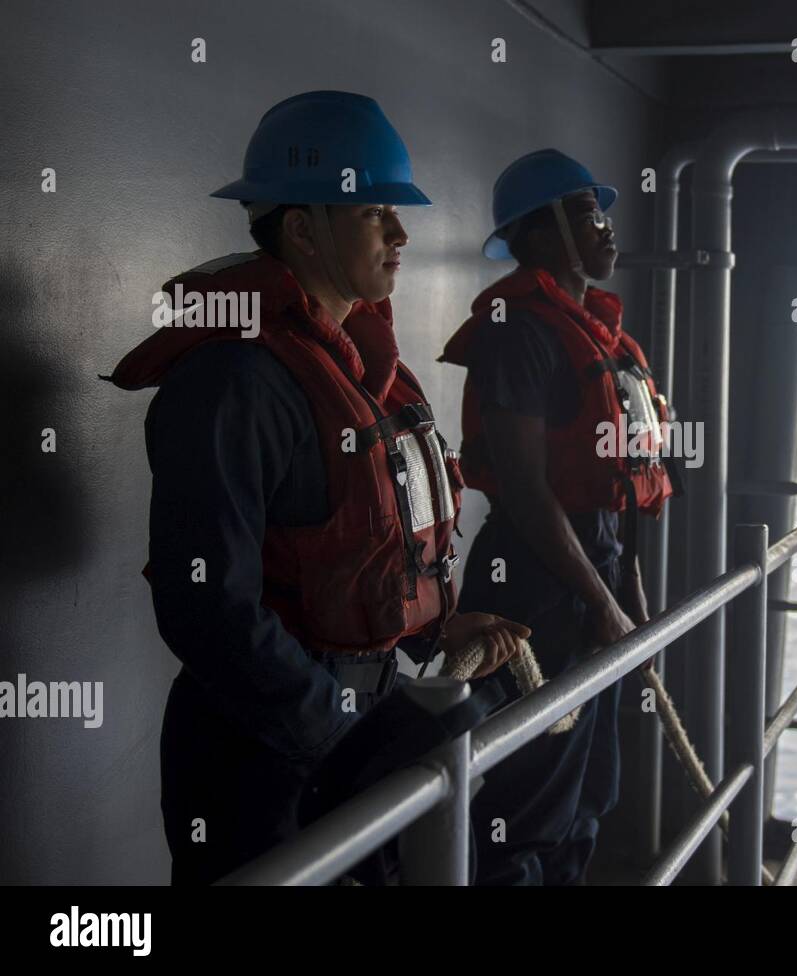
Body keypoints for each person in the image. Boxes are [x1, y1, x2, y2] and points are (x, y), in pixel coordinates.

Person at [108, 91, 528, 885]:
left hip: (360, 721)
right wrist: (346, 736)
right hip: (263, 757)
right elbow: (208, 609)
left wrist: (430, 628)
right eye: (375, 212)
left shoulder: (363, 369)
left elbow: (352, 551)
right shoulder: (233, 380)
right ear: (303, 229)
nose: (401, 233)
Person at [440, 148, 677, 884]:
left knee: (591, 791)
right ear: (538, 235)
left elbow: (613, 499)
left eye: (600, 214)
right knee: (530, 802)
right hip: (534, 582)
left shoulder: (596, 333)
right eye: (586, 215)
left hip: (593, 570)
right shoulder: (517, 330)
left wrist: (629, 600)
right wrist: (602, 603)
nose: (607, 228)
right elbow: (524, 489)